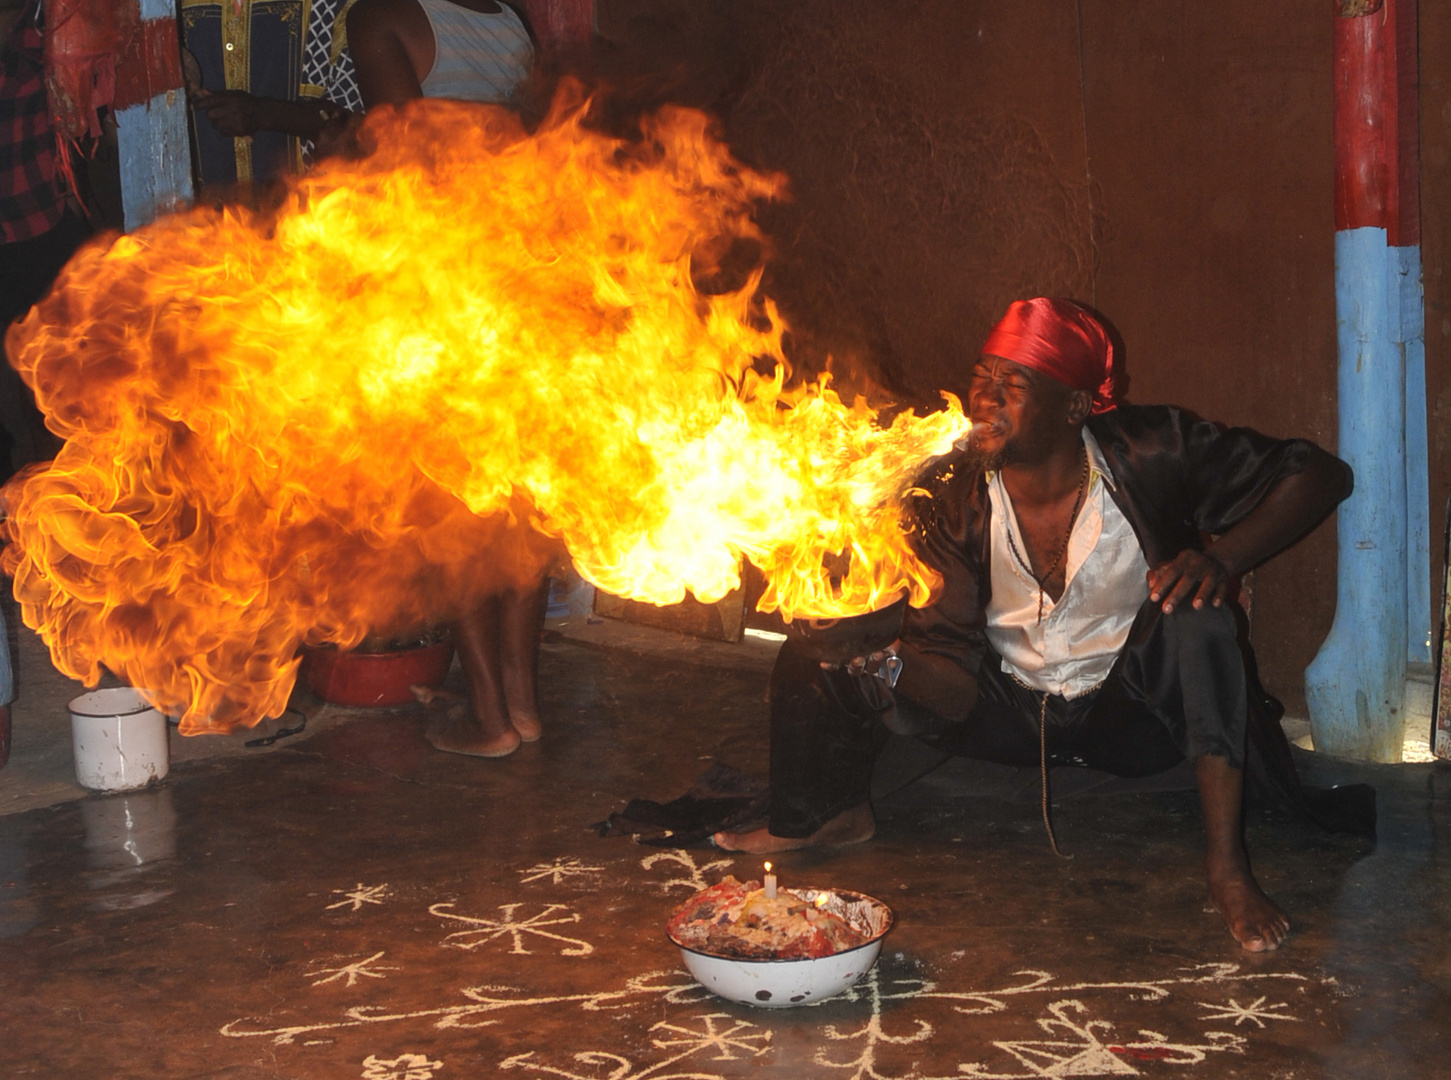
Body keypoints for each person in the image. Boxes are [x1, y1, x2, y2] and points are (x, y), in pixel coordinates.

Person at [715, 297, 1358, 954]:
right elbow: (956, 686)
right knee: (817, 642)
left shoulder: (1152, 449)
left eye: (1010, 386)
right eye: (979, 378)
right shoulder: (952, 496)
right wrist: (880, 659)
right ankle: (826, 816)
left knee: (1198, 620)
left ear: (1074, 408)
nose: (983, 399)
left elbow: (1319, 475)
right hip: (1010, 715)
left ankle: (1226, 871)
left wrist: (1220, 560)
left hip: (1131, 716)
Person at [349, 0, 543, 758]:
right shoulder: (508, 20)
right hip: (524, 277)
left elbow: (411, 150)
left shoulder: (381, 18)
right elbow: (536, 147)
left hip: (449, 287)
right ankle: (522, 706)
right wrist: (509, 134)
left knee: (455, 509)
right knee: (523, 499)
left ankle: (492, 717)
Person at [180, 0, 363, 190]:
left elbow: (361, 128)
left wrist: (263, 113)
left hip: (312, 209)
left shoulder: (330, 5)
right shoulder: (159, 7)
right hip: (193, 210)